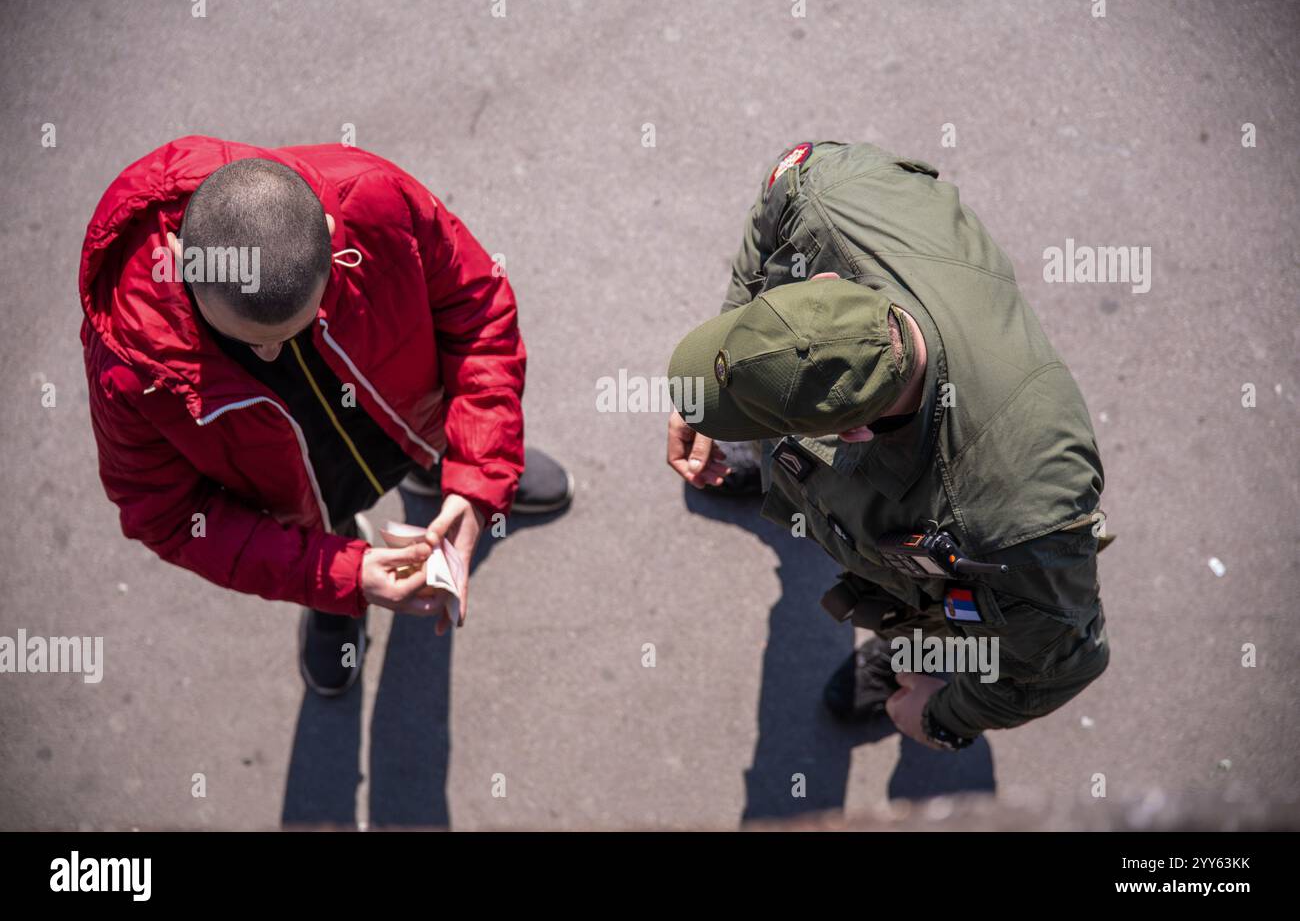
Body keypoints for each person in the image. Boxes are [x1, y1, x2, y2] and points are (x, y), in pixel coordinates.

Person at [80, 137, 572, 696]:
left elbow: (478, 313)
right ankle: (337, 602)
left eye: (293, 329)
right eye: (250, 342)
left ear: (334, 242)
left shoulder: (373, 199)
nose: (271, 356)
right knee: (326, 535)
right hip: (300, 502)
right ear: (181, 263)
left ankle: (443, 473)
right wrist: (343, 576)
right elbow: (167, 515)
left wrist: (480, 475)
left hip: (414, 419)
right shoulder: (128, 364)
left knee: (453, 458)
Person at [666, 141, 1109, 751]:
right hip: (856, 460)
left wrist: (938, 716)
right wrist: (735, 364)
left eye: (762, 422)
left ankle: (915, 652)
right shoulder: (833, 196)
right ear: (821, 283)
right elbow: (777, 205)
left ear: (847, 437)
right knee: (793, 461)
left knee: (943, 602)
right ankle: (781, 467)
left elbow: (1062, 662)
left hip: (933, 560)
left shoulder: (1014, 516)